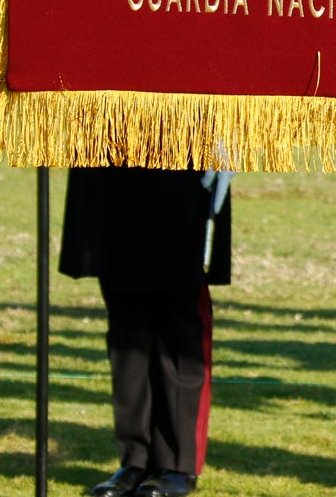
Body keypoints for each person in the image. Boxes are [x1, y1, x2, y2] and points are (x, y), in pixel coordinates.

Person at [60, 166, 231, 497]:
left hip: (182, 145)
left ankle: (177, 462)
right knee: (126, 314)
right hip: (113, 146)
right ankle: (135, 458)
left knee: (178, 313)